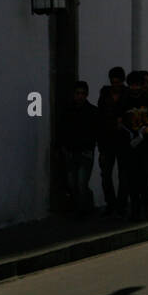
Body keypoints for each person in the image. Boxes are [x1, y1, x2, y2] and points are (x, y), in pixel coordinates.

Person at [117, 70, 148, 220]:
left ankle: (146, 202)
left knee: (146, 174)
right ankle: (135, 206)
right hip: (131, 142)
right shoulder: (124, 100)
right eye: (132, 85)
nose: (135, 88)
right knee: (132, 176)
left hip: (147, 142)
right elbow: (119, 119)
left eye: (137, 85)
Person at [58, 81, 99, 216]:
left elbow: (95, 131)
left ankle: (81, 211)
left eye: (82, 94)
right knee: (72, 183)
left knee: (81, 182)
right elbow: (62, 130)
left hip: (85, 151)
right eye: (78, 94)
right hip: (70, 151)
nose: (80, 96)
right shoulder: (67, 111)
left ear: (86, 95)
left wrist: (90, 146)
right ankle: (81, 207)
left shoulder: (92, 111)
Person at [96, 67, 126, 215]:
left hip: (123, 141)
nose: (115, 85)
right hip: (107, 140)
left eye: (118, 82)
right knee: (106, 174)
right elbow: (100, 118)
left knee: (123, 174)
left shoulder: (127, 95)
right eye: (113, 82)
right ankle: (111, 203)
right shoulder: (105, 94)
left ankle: (120, 204)